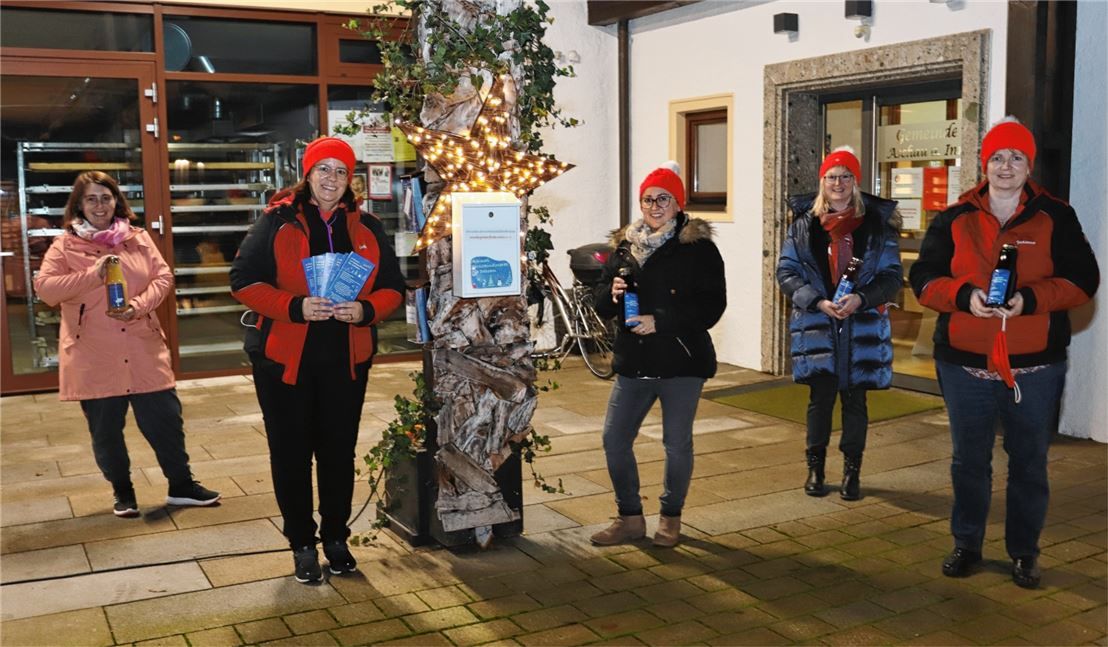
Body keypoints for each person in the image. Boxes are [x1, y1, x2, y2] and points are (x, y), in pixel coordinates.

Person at [909, 117, 1099, 589]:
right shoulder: (953, 218)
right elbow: (924, 279)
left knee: (1028, 462)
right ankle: (967, 543)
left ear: (1028, 165)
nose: (1006, 166)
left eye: (1016, 157)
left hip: (1033, 366)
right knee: (968, 461)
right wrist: (963, 296)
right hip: (964, 365)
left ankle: (1023, 552)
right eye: (997, 156)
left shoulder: (1056, 215)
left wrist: (1029, 300)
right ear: (984, 164)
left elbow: (1083, 280)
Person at [230, 137, 406, 584]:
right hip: (284, 361)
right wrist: (295, 306)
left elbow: (392, 288)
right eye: (323, 169)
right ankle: (302, 544)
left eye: (340, 171)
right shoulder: (277, 221)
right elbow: (243, 281)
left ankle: (335, 538)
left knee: (337, 453)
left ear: (352, 179)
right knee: (290, 454)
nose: (331, 179)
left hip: (345, 360)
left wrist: (366, 310)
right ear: (307, 175)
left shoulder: (366, 226)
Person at [33, 171, 220, 518]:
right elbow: (46, 290)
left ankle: (182, 486)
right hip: (93, 353)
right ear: (79, 205)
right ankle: (124, 492)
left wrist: (138, 307)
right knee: (106, 432)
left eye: (106, 197)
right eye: (91, 198)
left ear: (117, 201)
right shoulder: (65, 245)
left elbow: (163, 276)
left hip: (141, 344)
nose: (100, 205)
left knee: (165, 420)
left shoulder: (137, 238)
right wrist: (93, 274)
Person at [589, 161, 726, 548]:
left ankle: (671, 517)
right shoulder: (624, 247)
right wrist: (611, 294)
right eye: (648, 199)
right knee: (615, 439)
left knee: (676, 443)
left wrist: (661, 320)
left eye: (663, 198)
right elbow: (599, 304)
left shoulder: (699, 249)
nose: (654, 205)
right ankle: (630, 517)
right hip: (635, 361)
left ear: (678, 203)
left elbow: (712, 306)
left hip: (681, 361)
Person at [776, 146, 901, 501]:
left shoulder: (878, 226)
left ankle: (852, 472)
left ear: (856, 183)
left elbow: (892, 276)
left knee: (855, 402)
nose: (838, 183)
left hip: (861, 327)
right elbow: (785, 272)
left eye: (846, 176)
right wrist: (817, 300)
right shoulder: (803, 226)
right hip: (819, 324)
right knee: (819, 400)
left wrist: (862, 298)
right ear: (822, 182)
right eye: (832, 176)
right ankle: (815, 469)